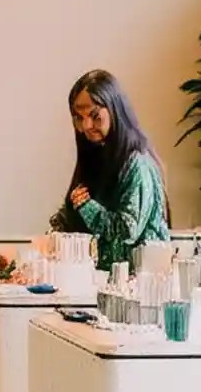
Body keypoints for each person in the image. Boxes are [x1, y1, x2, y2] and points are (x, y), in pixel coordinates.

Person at [50, 69, 170, 269]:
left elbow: (127, 230)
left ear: (115, 110)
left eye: (94, 115)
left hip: (139, 287)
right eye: (78, 118)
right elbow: (72, 217)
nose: (86, 125)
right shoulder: (97, 156)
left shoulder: (138, 164)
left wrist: (87, 207)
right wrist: (57, 233)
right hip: (102, 283)